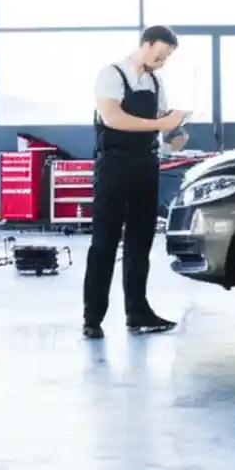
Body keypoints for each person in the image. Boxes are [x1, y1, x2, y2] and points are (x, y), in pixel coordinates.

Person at [82, 25, 191, 340]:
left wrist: (176, 131)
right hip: (114, 167)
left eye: (168, 57)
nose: (163, 61)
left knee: (140, 244)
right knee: (104, 243)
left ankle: (138, 313)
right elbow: (113, 118)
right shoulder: (112, 74)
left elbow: (166, 130)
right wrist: (160, 124)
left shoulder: (156, 81)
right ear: (147, 44)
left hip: (146, 166)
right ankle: (92, 318)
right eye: (161, 54)